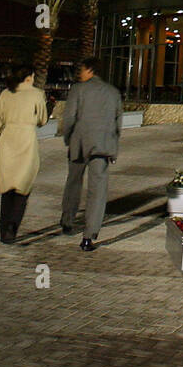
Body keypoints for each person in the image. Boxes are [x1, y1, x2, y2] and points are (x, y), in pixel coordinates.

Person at [60, 57, 123, 252]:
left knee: (73, 182)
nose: (80, 73)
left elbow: (69, 117)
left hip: (79, 143)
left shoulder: (78, 89)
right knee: (98, 191)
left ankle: (67, 220)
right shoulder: (113, 93)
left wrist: (68, 138)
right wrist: (113, 146)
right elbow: (117, 123)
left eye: (82, 69)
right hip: (102, 146)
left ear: (90, 70)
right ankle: (89, 235)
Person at [0, 66, 48, 244]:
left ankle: (4, 231)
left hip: (8, 142)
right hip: (27, 141)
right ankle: (13, 226)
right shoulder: (36, 94)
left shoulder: (6, 94)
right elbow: (43, 120)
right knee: (23, 187)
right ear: (28, 77)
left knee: (7, 188)